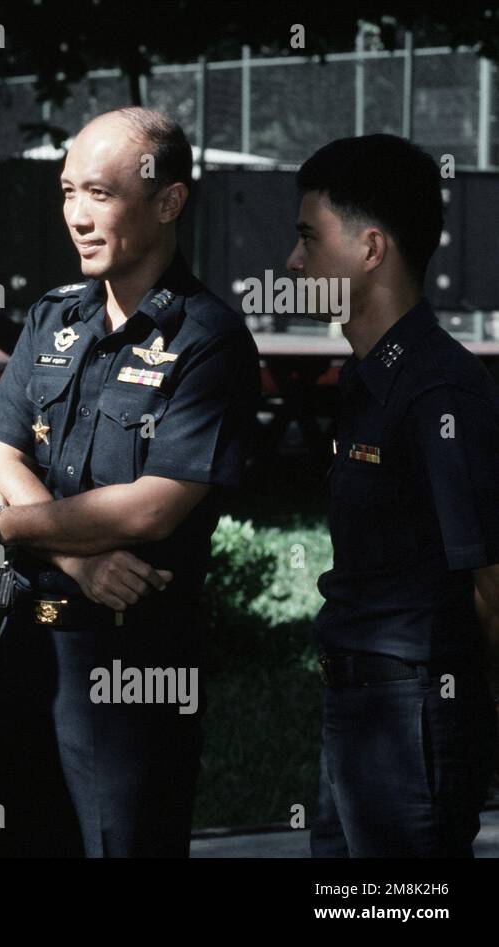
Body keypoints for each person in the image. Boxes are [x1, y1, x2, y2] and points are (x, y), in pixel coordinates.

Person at [0, 107, 259, 857]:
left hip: (136, 666)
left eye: (100, 193)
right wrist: (79, 559)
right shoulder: (51, 319)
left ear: (168, 202)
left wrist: (6, 525)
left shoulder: (210, 339)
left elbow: (151, 508)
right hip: (28, 645)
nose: (77, 215)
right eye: (68, 191)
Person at [288, 135, 499, 857]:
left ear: (370, 249)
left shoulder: (437, 389)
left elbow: (491, 581)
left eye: (309, 238)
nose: (293, 262)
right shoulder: (368, 380)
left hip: (412, 720)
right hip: (363, 710)